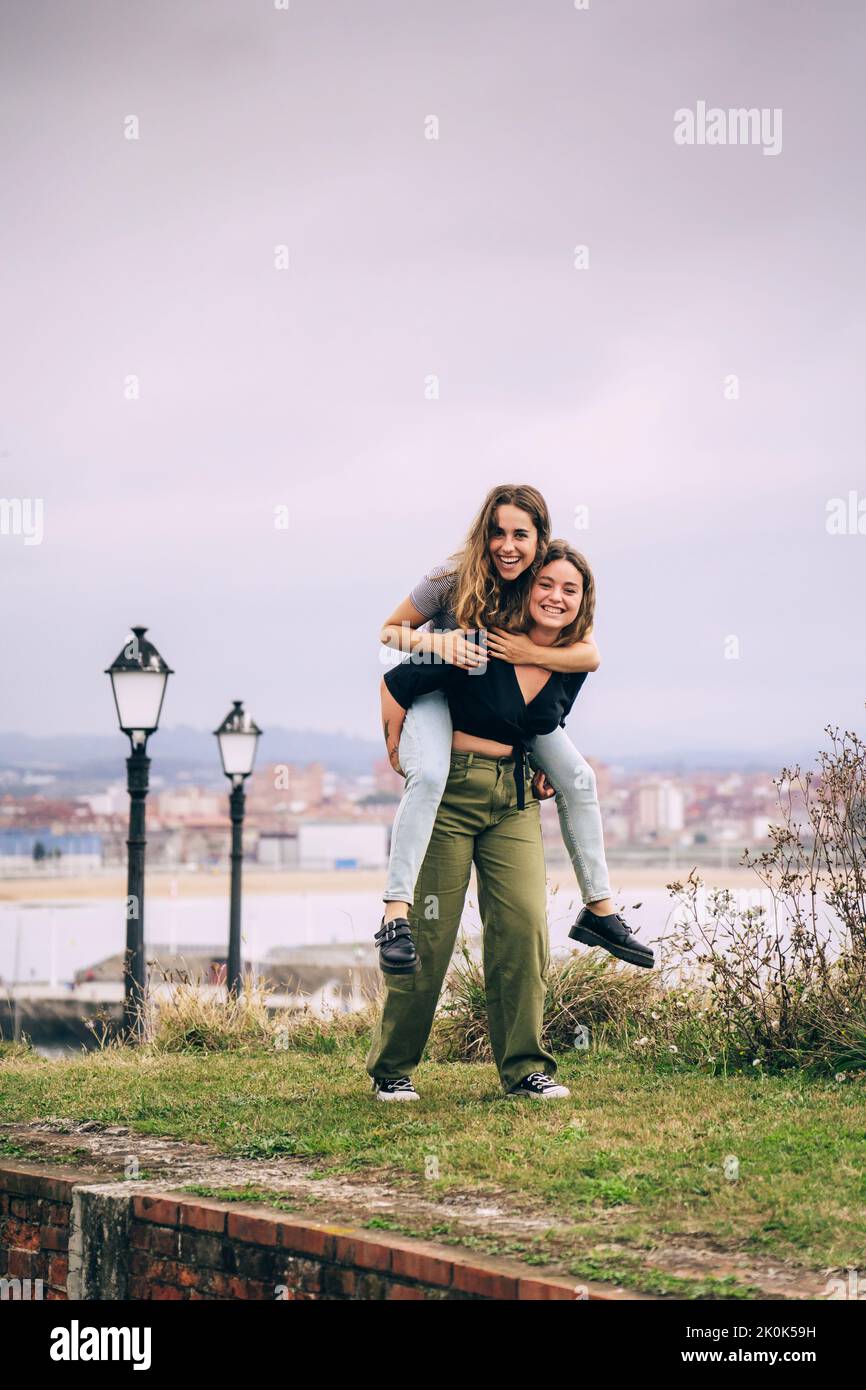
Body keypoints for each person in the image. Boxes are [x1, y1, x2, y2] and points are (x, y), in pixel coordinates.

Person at [367, 541, 626, 1103]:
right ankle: (393, 1069)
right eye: (546, 585)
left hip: (513, 799)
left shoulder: (571, 661)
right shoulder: (476, 641)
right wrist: (394, 736)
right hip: (450, 795)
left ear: (582, 601)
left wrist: (542, 769)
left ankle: (524, 1070)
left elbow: (544, 723)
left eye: (569, 589)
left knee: (524, 927)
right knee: (430, 936)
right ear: (525, 588)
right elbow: (397, 679)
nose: (555, 597)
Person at [375, 483, 652, 977]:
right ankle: (395, 915)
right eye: (498, 532)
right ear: (484, 533)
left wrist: (531, 658)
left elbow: (587, 653)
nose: (508, 545)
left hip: (504, 709)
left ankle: (600, 911)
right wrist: (441, 647)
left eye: (521, 534)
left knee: (580, 780)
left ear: (540, 539)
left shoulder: (539, 583)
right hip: (439, 687)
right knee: (431, 774)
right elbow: (390, 632)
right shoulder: (450, 578)